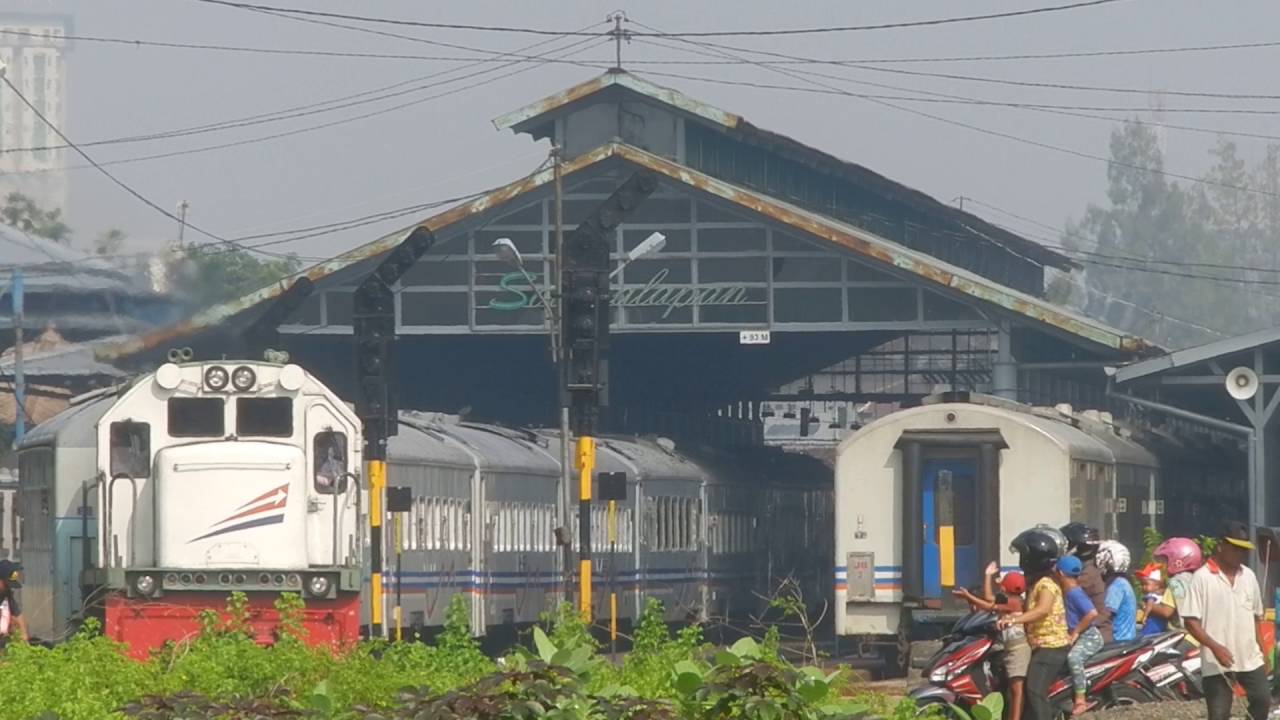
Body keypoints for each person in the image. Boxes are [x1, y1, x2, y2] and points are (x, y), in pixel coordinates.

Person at [1181, 521, 1270, 720]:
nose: (1241, 554)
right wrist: (1215, 647)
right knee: (1219, 714)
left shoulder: (1249, 576)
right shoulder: (1202, 578)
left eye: (1244, 550)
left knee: (1263, 701)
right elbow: (1190, 622)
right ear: (1221, 546)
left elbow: (1256, 616)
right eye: (1236, 548)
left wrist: (1262, 650)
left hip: (1249, 657)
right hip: (1216, 663)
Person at [1001, 529, 1071, 720]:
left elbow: (1042, 609)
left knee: (1034, 690)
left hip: (1052, 646)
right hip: (1040, 645)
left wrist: (1014, 619)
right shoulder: (1035, 583)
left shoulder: (1047, 584)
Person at [954, 561, 1029, 720]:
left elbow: (989, 606)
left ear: (1005, 588)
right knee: (1009, 687)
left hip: (1019, 650)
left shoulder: (1014, 603)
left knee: (1017, 689)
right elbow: (989, 599)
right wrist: (988, 575)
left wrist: (969, 596)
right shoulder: (1010, 600)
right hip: (1011, 648)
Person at [1056, 555, 1102, 715]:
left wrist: (1075, 632)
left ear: (1060, 573)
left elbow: (1091, 613)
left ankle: (1080, 700)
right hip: (1080, 635)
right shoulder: (1067, 592)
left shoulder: (1075, 593)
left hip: (1089, 636)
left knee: (1073, 658)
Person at [1061, 522, 1112, 643]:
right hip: (1087, 630)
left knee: (1072, 660)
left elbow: (1061, 591)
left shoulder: (1085, 574)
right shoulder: (1085, 568)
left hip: (1094, 634)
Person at [1153, 536, 1203, 641]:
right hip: (1199, 635)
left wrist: (1148, 607)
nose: (1163, 566)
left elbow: (1166, 611)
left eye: (1165, 561)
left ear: (1178, 561)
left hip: (1184, 636)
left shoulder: (1176, 582)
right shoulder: (1196, 579)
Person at [1096, 540, 1137, 641]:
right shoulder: (1122, 582)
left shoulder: (1117, 586)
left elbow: (1106, 614)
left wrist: (1086, 624)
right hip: (1124, 639)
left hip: (1118, 641)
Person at [1136, 563, 1170, 637]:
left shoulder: (1150, 595)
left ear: (1157, 585)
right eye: (1142, 584)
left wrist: (1145, 615)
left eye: (1146, 584)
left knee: (1145, 637)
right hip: (1161, 625)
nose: (1143, 587)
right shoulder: (1161, 595)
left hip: (1151, 625)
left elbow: (1150, 604)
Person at [0, 559, 26, 644]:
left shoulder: (5, 592)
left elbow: (17, 613)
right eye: (6, 584)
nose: (8, 587)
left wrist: (24, 635)